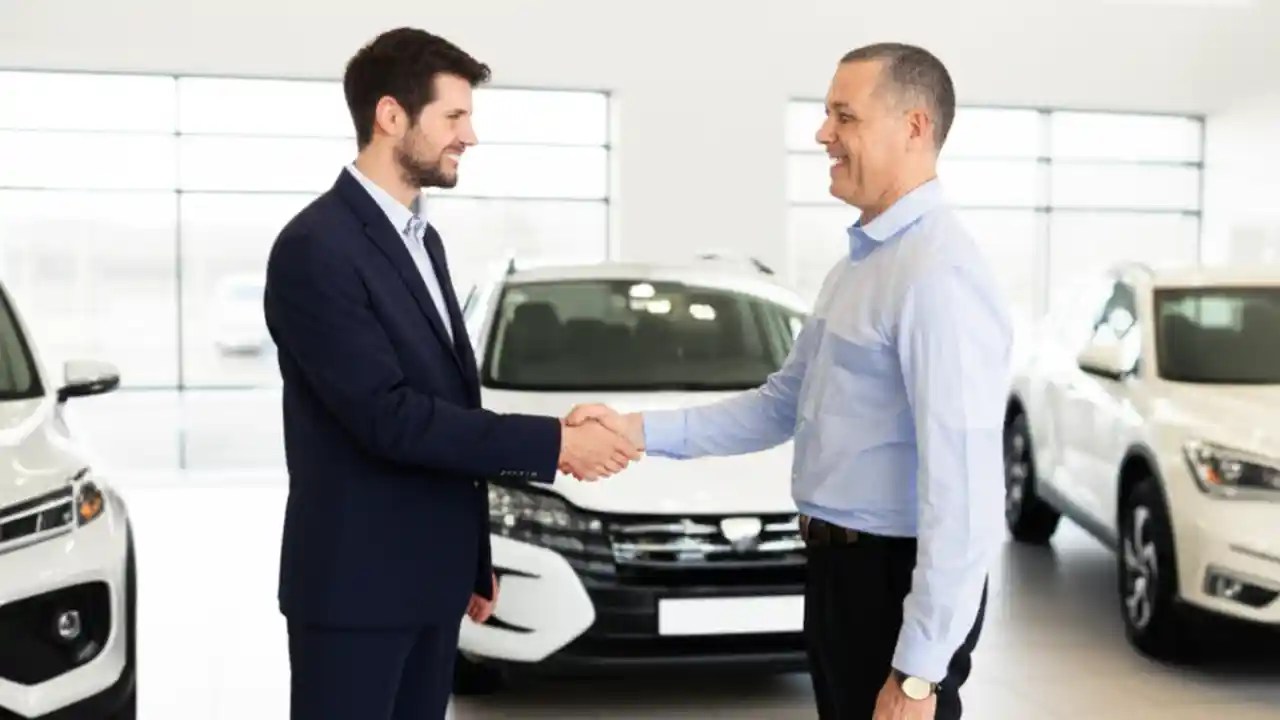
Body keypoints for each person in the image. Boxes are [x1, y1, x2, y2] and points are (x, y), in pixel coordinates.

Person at [567, 43, 1011, 720]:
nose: (823, 134)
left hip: (893, 581)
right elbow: (781, 404)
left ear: (915, 127)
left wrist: (919, 673)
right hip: (840, 573)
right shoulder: (859, 268)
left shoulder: (936, 275)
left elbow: (965, 491)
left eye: (845, 117)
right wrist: (634, 431)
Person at [263, 27, 640, 720]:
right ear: (390, 116)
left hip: (429, 585)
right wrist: (555, 443)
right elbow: (390, 418)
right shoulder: (316, 248)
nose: (470, 135)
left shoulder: (421, 240)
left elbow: (447, 402)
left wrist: (470, 558)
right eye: (455, 116)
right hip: (356, 593)